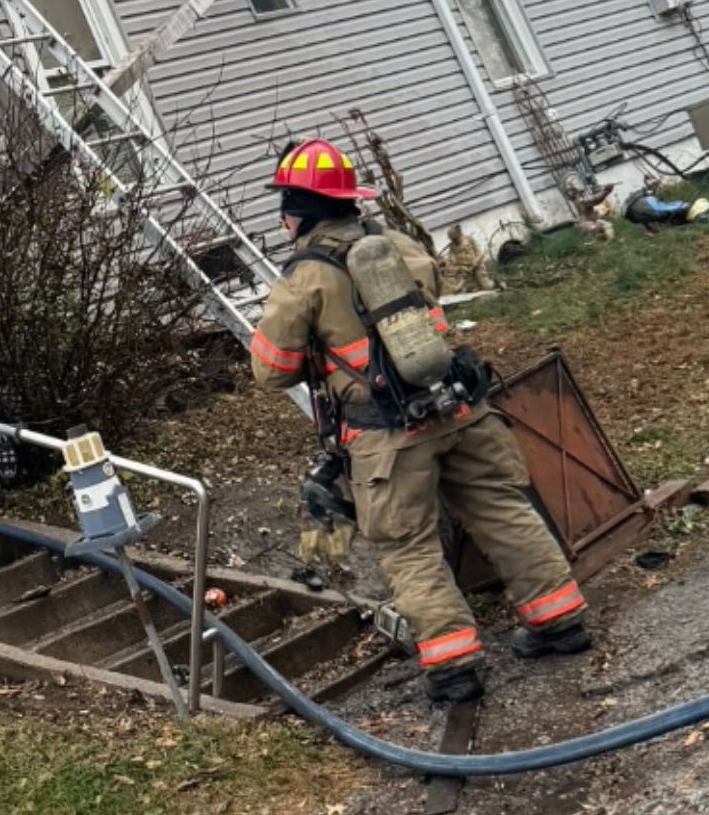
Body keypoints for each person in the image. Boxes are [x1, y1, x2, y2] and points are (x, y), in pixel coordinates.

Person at [250, 138, 590, 704]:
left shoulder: (305, 277)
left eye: (285, 205)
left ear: (298, 209)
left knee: (408, 546)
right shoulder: (399, 245)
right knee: (503, 509)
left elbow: (273, 371)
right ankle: (559, 622)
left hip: (385, 435)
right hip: (459, 407)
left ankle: (454, 666)